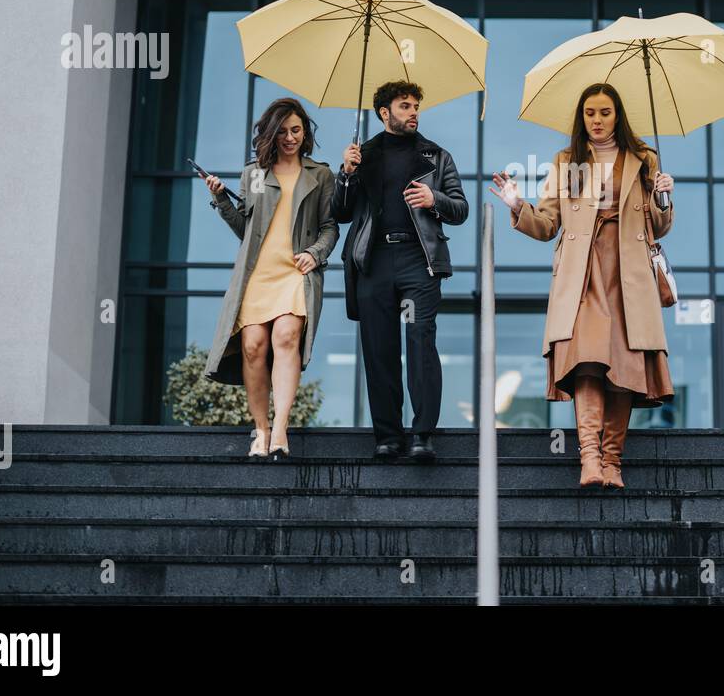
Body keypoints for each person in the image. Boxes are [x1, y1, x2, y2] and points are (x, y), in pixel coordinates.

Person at [489, 83, 675, 488]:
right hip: (583, 274)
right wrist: (518, 206)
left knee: (626, 365)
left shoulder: (644, 160)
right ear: (582, 117)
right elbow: (547, 224)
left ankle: (613, 462)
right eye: (590, 112)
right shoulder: (565, 161)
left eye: (604, 112)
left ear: (617, 115)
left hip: (629, 274)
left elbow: (659, 226)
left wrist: (662, 197)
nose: (596, 120)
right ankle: (589, 458)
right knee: (587, 363)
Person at [332, 80, 469, 462]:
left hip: (417, 262)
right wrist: (346, 174)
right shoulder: (363, 155)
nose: (413, 112)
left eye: (415, 106)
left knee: (420, 342)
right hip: (373, 264)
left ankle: (422, 434)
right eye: (405, 106)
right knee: (380, 349)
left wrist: (434, 198)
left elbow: (460, 209)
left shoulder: (435, 156)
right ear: (384, 113)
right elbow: (340, 213)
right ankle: (388, 436)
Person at [203, 98, 338, 458]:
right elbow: (244, 229)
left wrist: (316, 253)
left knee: (286, 336)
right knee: (252, 348)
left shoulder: (321, 175)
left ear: (305, 133)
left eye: (296, 130)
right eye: (283, 131)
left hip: (295, 271)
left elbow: (330, 227)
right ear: (271, 134)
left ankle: (280, 431)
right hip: (259, 274)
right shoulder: (254, 174)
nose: (290, 137)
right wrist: (220, 199)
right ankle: (259, 431)